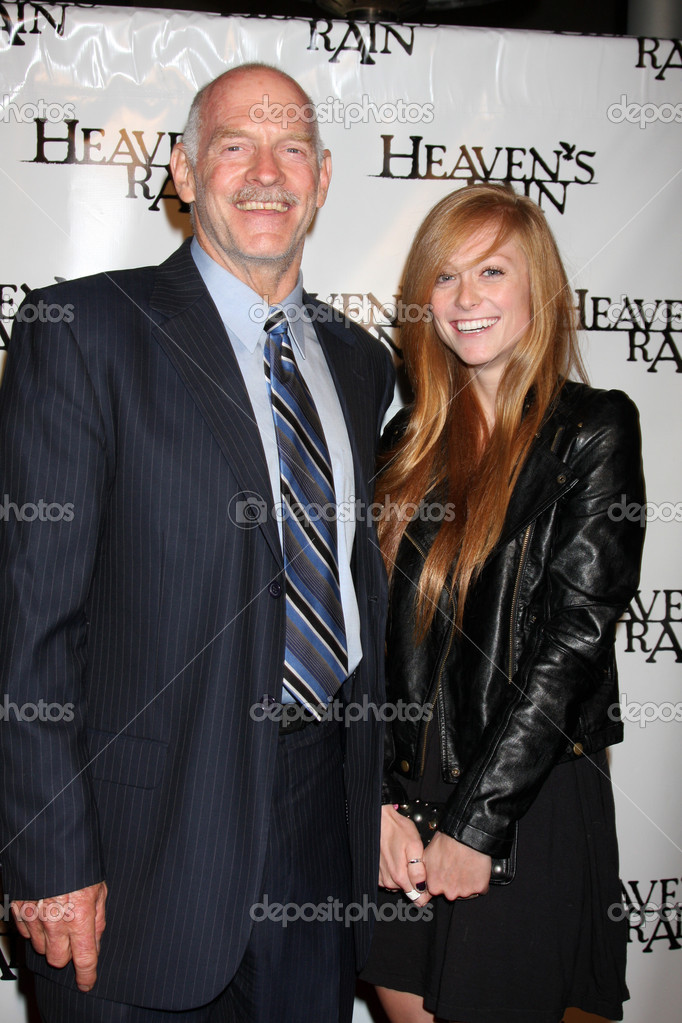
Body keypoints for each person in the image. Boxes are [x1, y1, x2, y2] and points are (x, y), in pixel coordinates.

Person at [0, 64, 394, 1022]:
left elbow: (352, 593)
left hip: (317, 844)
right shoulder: (86, 329)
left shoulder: (362, 361)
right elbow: (29, 625)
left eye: (292, 147)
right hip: (137, 855)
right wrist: (49, 856)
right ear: (182, 171)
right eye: (234, 145)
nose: (267, 171)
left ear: (325, 177)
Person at [360, 184, 645, 1022]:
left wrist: (479, 825)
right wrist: (376, 800)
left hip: (529, 796)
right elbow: (364, 645)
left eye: (492, 271)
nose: (466, 298)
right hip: (407, 812)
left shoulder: (591, 432)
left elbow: (574, 641)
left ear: (539, 290)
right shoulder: (401, 448)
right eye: (445, 276)